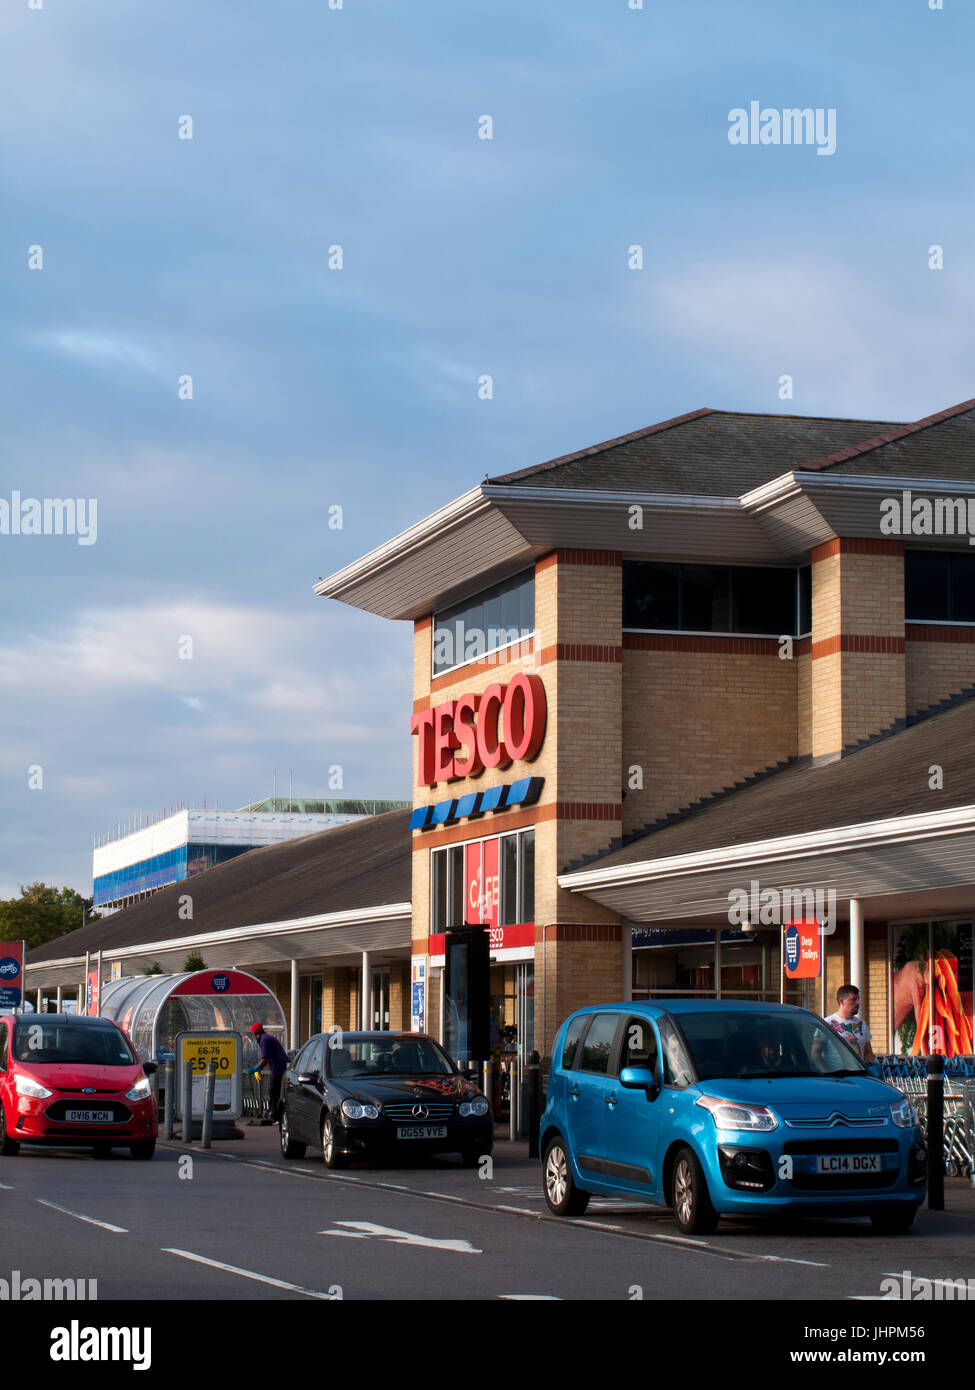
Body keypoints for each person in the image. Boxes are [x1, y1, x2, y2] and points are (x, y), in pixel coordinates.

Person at [248, 1022, 289, 1124]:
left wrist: (255, 1069)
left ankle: (275, 1116)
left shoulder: (264, 1040)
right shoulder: (267, 1038)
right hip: (280, 1067)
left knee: (273, 1092)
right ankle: (275, 1114)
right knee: (275, 1092)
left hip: (278, 1069)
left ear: (255, 1033)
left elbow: (265, 1059)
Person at [825, 984, 875, 1063]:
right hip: (836, 1073)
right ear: (842, 1001)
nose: (858, 1002)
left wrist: (870, 1067)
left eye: (858, 999)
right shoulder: (827, 1023)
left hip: (858, 1072)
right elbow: (816, 1051)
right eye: (853, 999)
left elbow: (868, 1051)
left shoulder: (861, 1024)